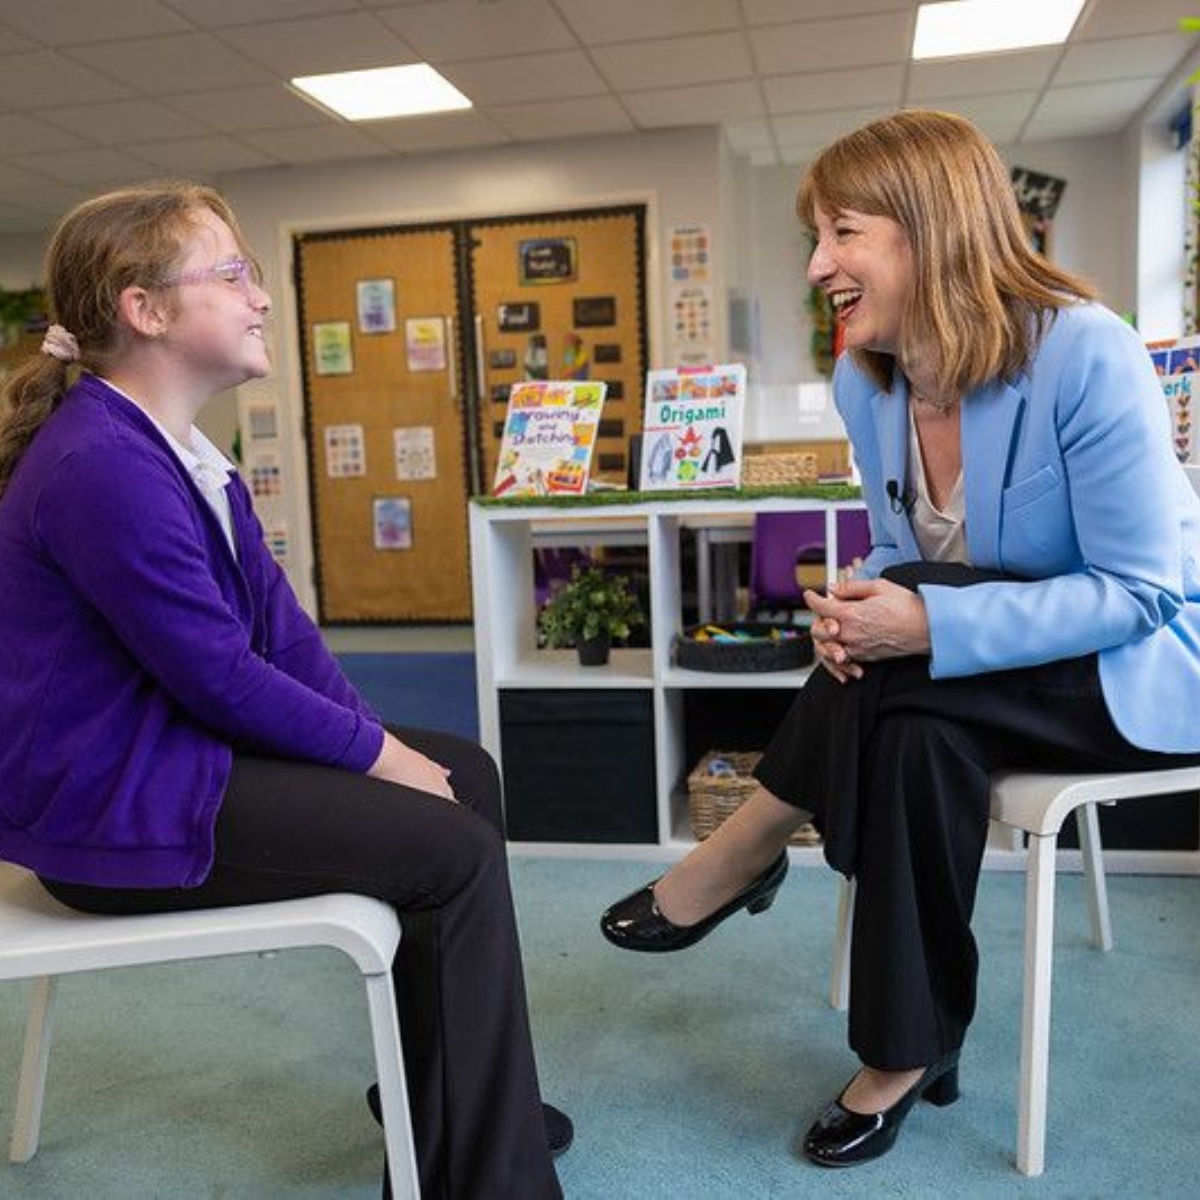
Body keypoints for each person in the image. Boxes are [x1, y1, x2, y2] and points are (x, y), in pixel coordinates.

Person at [600, 109, 1200, 1169]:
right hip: (965, 687)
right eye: (814, 239)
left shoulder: (1086, 353)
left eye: (842, 233)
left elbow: (1140, 593)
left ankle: (747, 844)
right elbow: (893, 544)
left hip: (1123, 678)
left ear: (932, 229)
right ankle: (909, 1050)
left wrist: (919, 615)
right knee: (914, 729)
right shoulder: (864, 379)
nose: (818, 263)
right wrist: (861, 614)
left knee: (914, 635)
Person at [0, 182, 568, 1200]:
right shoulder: (97, 461)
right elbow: (217, 676)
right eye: (232, 273)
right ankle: (487, 1177)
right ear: (146, 308)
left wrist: (386, 750)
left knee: (464, 774)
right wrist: (384, 763)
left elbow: (280, 638)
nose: (260, 297)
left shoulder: (182, 454)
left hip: (168, 757)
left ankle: (449, 1109)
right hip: (105, 809)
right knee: (453, 848)